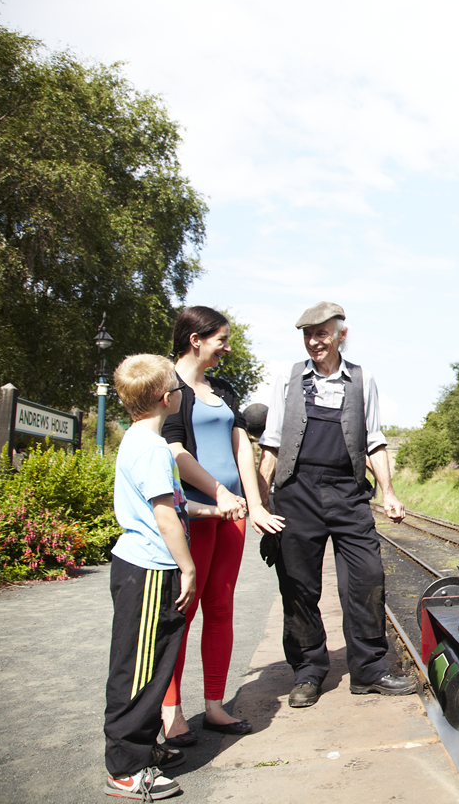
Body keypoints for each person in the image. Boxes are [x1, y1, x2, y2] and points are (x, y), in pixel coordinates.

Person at [256, 301, 416, 708]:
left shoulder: (362, 379)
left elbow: (373, 440)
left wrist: (388, 492)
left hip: (348, 492)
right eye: (308, 335)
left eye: (322, 334)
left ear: (341, 335)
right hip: (296, 494)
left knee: (366, 577)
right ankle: (308, 672)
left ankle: (369, 670)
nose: (314, 342)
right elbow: (271, 443)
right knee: (299, 587)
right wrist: (260, 501)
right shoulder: (288, 378)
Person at [159, 307, 281, 745]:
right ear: (196, 339)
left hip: (232, 516)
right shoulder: (168, 387)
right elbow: (174, 450)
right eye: (221, 340)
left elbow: (240, 445)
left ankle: (214, 706)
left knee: (221, 607)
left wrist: (254, 503)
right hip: (193, 513)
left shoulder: (223, 389)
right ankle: (170, 711)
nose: (227, 348)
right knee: (183, 610)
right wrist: (217, 492)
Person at [104, 354, 221, 799]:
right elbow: (164, 514)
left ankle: (142, 746)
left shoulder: (139, 440)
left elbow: (175, 503)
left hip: (145, 566)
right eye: (177, 387)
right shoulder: (153, 449)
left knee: (153, 664)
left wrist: (213, 509)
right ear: (164, 398)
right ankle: (125, 768)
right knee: (139, 669)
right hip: (152, 568)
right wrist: (188, 566)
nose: (182, 393)